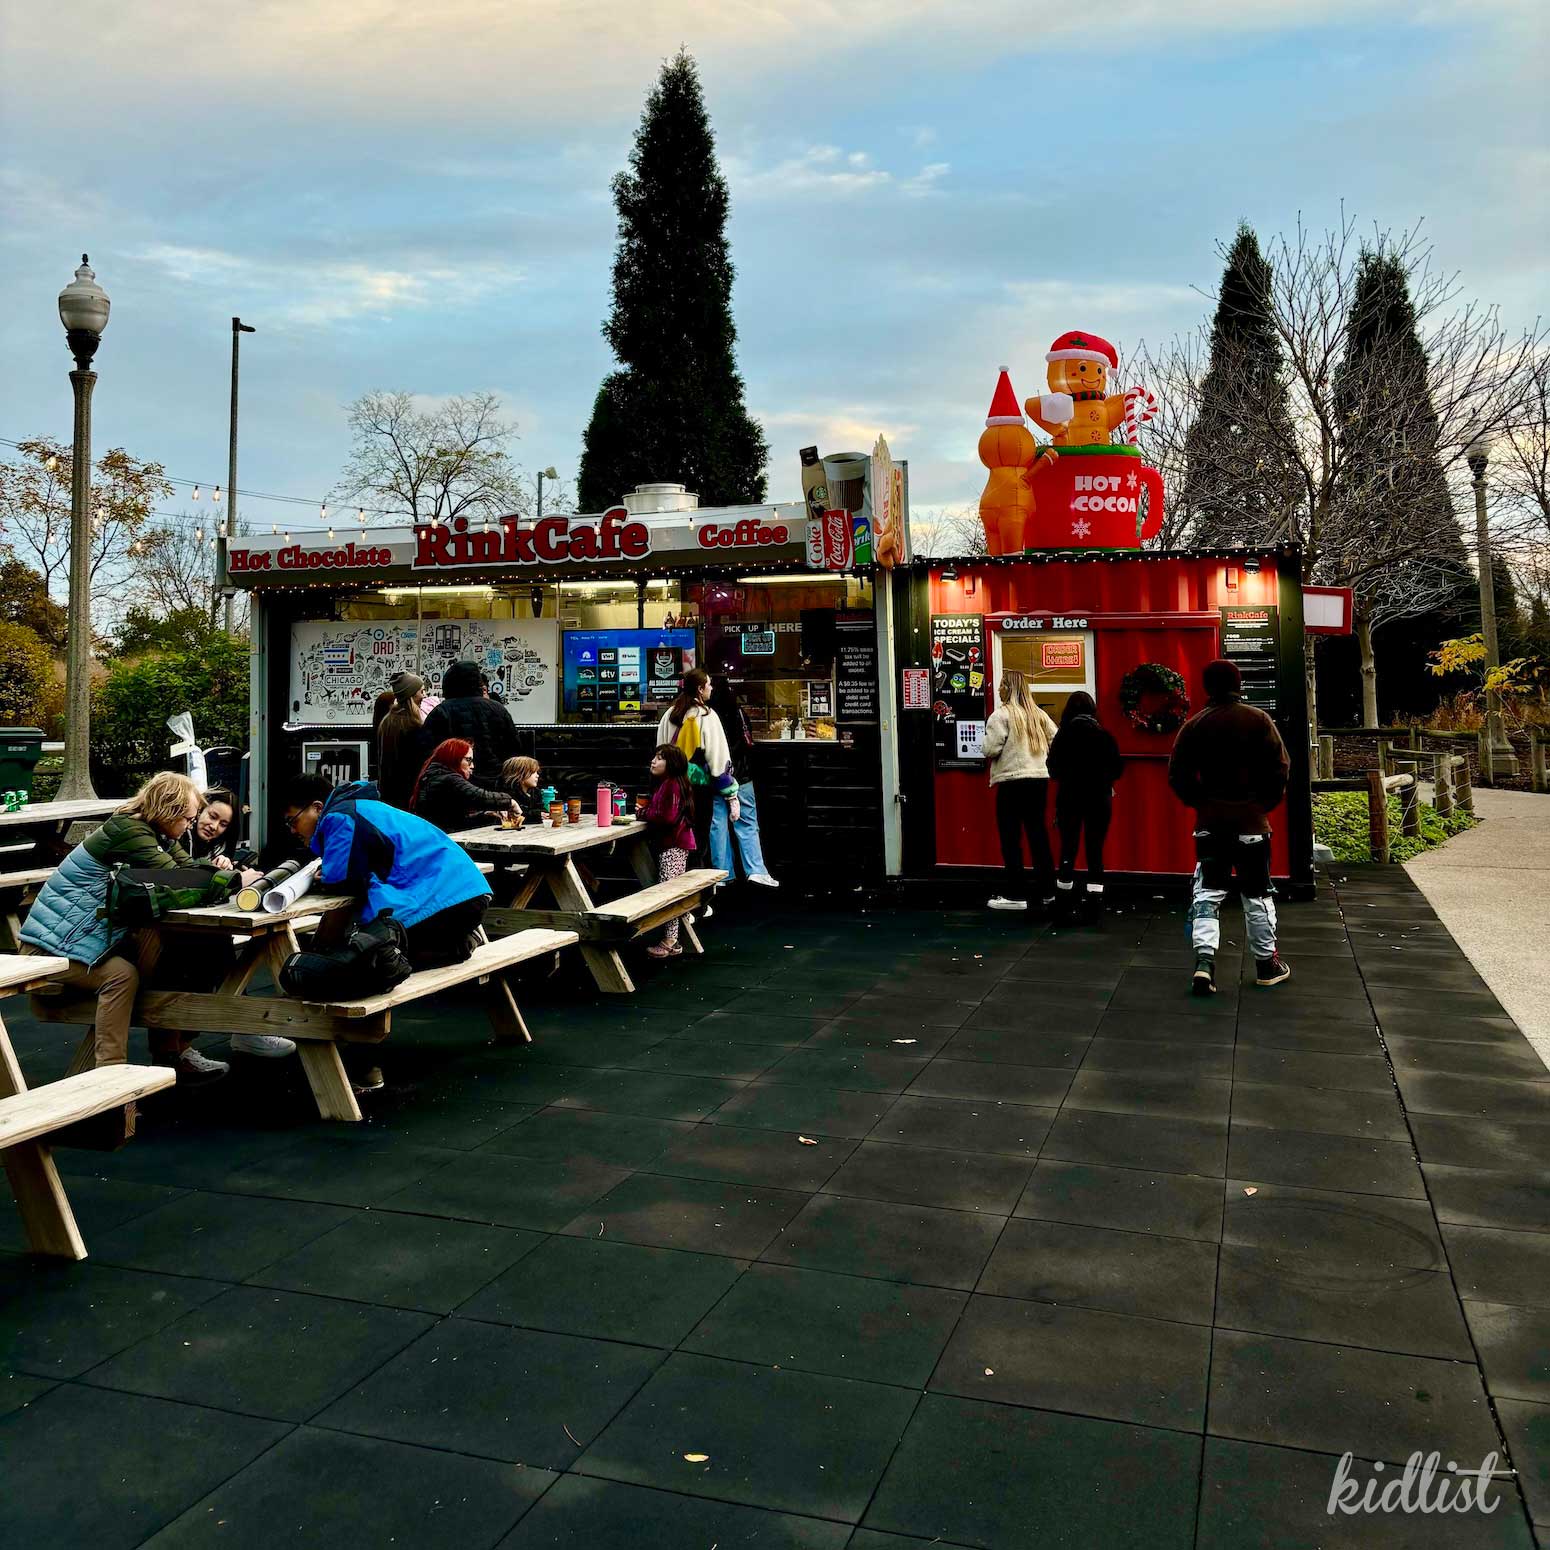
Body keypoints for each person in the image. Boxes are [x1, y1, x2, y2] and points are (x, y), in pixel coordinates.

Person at [21, 772, 242, 1082]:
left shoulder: (157, 833)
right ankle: (111, 1079)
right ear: (169, 810)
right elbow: (183, 880)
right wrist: (237, 879)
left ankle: (173, 1051)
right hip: (49, 948)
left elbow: (189, 869)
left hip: (88, 939)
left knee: (195, 944)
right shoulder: (129, 832)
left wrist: (222, 874)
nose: (190, 825)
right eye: (188, 819)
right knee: (122, 976)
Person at [281, 772, 494, 971]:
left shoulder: (339, 817)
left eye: (292, 820)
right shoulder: (362, 807)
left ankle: (458, 946)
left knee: (376, 962)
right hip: (465, 893)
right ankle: (457, 943)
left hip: (446, 902)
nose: (292, 829)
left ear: (318, 808)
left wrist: (321, 880)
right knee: (374, 953)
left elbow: (341, 882)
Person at [1168, 657, 1292, 994]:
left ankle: (1204, 963)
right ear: (1239, 684)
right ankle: (1266, 964)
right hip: (1252, 823)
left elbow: (1177, 775)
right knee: (1257, 894)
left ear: (1207, 687)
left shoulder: (1194, 726)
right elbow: (1280, 768)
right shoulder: (1258, 720)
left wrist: (1202, 803)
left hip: (1210, 823)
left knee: (1207, 893)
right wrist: (1260, 805)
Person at [982, 669, 1058, 911]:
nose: (999, 689)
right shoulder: (1039, 715)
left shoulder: (1001, 716)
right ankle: (1048, 892)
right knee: (1038, 836)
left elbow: (990, 749)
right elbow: (1055, 740)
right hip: (1038, 780)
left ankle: (1016, 894)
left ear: (1008, 688)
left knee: (1011, 838)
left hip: (1012, 782)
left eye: (1002, 685)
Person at [658, 669, 739, 886]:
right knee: (698, 841)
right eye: (709, 684)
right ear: (700, 689)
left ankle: (673, 885)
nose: (711, 688)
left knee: (674, 841)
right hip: (699, 790)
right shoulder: (707, 716)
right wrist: (731, 794)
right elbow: (718, 759)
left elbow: (660, 753)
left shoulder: (669, 715)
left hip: (671, 788)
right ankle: (694, 892)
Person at [1047, 692, 1123, 919]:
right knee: (1095, 848)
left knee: (1068, 847)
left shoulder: (1063, 735)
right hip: (1099, 798)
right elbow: (1117, 768)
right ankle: (1094, 898)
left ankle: (1064, 897)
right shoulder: (1103, 735)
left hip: (1070, 797)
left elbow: (1053, 768)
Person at [707, 676, 778, 888]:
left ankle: (722, 874)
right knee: (747, 822)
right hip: (742, 774)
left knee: (718, 824)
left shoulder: (708, 716)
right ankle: (755, 870)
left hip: (717, 775)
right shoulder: (739, 712)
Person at [420, 659, 519, 784]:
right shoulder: (498, 709)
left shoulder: (441, 712)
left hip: (456, 782)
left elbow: (427, 752)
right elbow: (514, 748)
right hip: (495, 780)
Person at [642, 744, 696, 959]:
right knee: (670, 887)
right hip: (674, 843)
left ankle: (670, 941)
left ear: (671, 764)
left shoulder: (671, 785)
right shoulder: (670, 784)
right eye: (654, 757)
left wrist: (644, 813)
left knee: (668, 891)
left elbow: (667, 817)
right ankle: (677, 929)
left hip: (674, 844)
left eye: (659, 758)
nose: (653, 761)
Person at [410, 738, 515, 832]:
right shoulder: (449, 779)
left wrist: (485, 815)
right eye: (468, 760)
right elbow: (479, 796)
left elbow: (454, 820)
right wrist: (510, 802)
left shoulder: (436, 776)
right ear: (453, 758)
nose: (472, 766)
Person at [376, 671, 426, 809]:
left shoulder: (388, 721)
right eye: (421, 691)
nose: (424, 695)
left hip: (389, 794)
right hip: (409, 795)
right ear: (411, 695)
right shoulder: (413, 725)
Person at [501, 756, 545, 825]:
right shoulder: (509, 793)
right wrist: (536, 815)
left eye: (537, 772)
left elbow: (542, 810)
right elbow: (514, 815)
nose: (537, 776)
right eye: (534, 772)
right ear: (520, 774)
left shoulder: (535, 792)